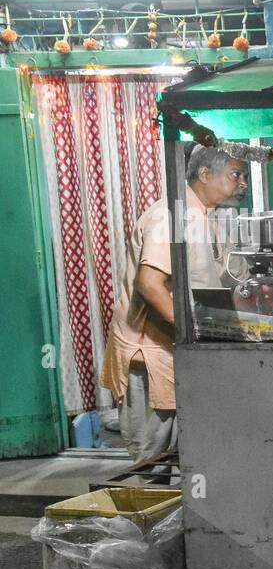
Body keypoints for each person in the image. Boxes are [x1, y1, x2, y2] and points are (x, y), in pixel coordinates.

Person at [100, 146, 248, 460]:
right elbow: (149, 284)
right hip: (153, 358)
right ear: (205, 174)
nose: (243, 183)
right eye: (236, 175)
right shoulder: (171, 216)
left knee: (188, 460)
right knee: (151, 465)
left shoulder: (203, 216)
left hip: (180, 355)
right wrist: (193, 330)